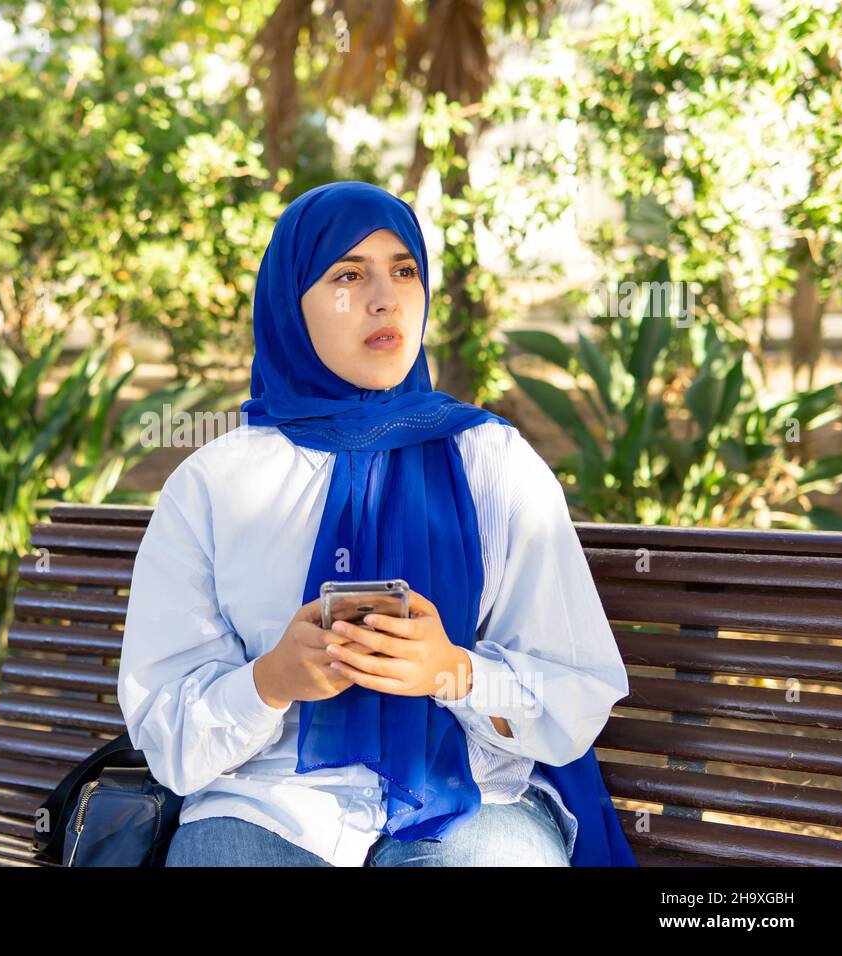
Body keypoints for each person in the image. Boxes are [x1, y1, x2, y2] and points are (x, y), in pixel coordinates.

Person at [116, 180, 636, 867]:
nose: (385, 297)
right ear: (289, 304)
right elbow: (167, 733)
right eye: (348, 275)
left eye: (405, 270)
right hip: (270, 807)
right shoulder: (215, 484)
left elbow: (577, 692)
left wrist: (453, 671)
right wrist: (270, 681)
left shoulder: (493, 463)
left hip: (472, 803)